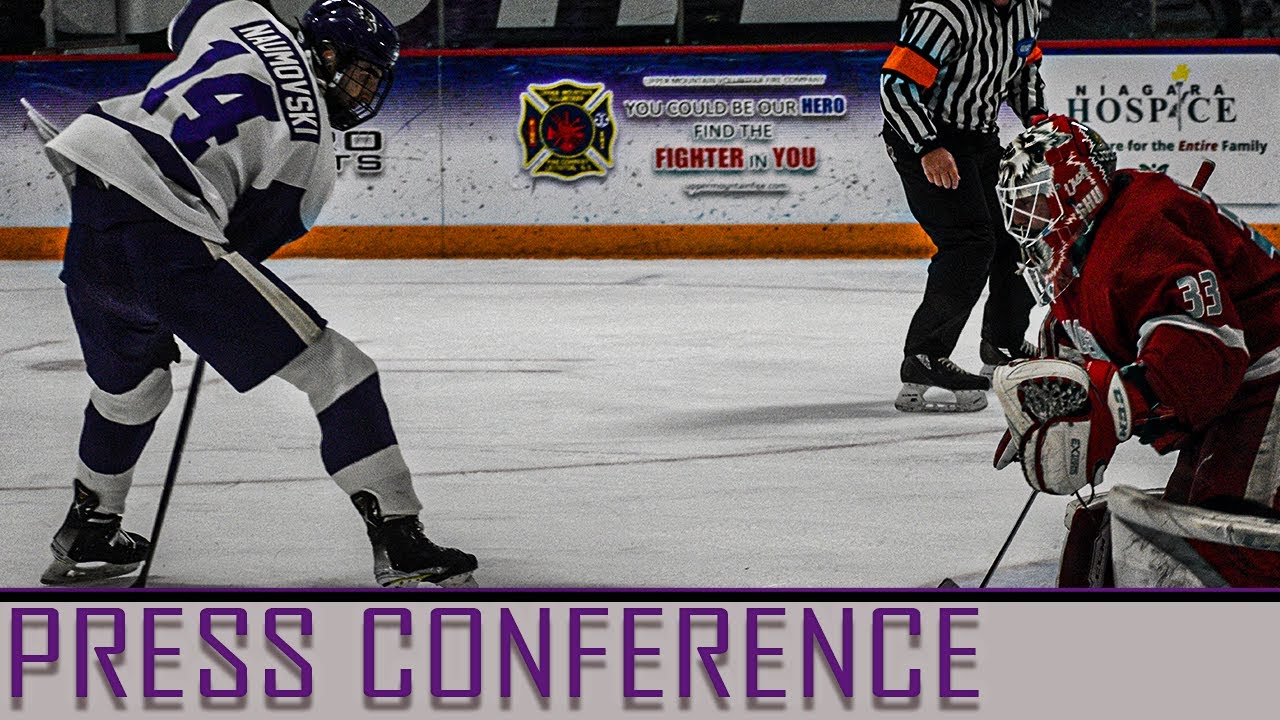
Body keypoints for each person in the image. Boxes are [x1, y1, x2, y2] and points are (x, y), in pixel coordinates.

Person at [37, 0, 478, 588]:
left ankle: (89, 529)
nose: (363, 91)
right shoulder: (313, 154)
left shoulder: (243, 15)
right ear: (327, 55)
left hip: (94, 202)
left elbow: (183, 22)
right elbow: (240, 247)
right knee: (339, 371)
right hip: (166, 232)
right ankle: (401, 541)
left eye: (373, 80)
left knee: (132, 392)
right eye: (360, 73)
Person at [990, 114, 1280, 584]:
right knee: (1185, 520)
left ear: (1076, 187)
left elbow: (1206, 351)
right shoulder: (1083, 243)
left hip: (1268, 377)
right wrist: (1050, 400)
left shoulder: (1144, 227)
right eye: (1018, 209)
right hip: (1237, 389)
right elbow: (1081, 330)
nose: (1025, 223)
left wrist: (1115, 406)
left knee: (1229, 535)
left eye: (1034, 204)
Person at [880, 0, 1047, 413]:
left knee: (1018, 234)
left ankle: (1003, 342)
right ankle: (925, 357)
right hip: (925, 137)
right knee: (969, 243)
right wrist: (928, 147)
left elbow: (1023, 72)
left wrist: (1039, 124)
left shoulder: (1027, 9)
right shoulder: (943, 12)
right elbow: (896, 86)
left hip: (979, 138)